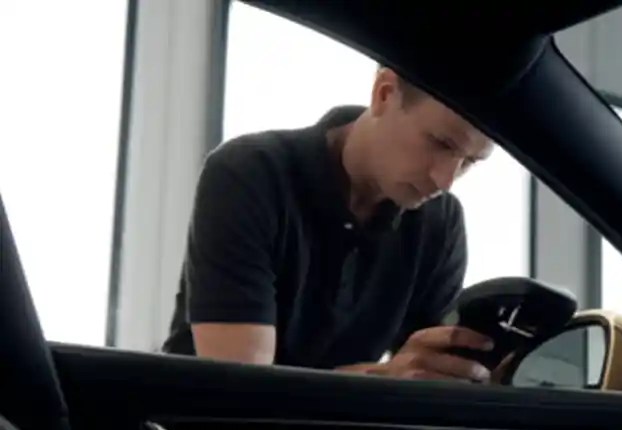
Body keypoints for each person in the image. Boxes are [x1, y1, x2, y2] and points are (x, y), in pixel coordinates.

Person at [162, 65, 497, 382]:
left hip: (348, 424)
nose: (445, 181)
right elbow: (241, 389)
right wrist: (385, 381)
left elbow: (431, 377)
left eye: (470, 162)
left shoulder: (442, 221)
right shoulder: (249, 174)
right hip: (193, 423)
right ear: (384, 94)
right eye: (440, 143)